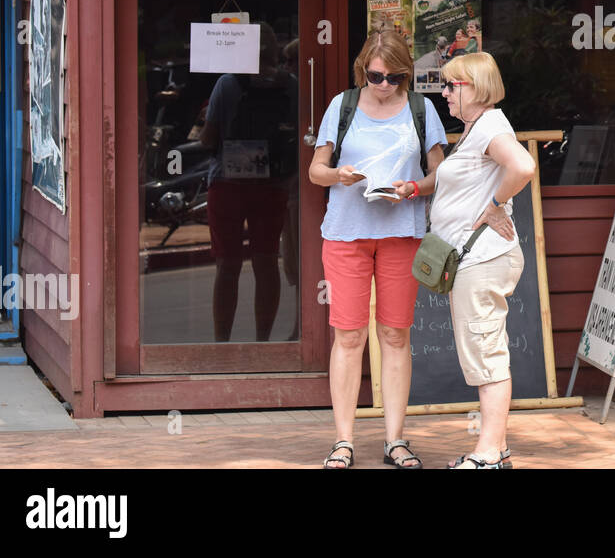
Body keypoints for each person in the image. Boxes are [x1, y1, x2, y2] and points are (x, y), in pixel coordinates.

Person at [308, 30, 447, 469]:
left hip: (401, 233)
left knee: (394, 334)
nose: (385, 85)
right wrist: (340, 176)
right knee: (348, 335)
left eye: (395, 78)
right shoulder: (342, 105)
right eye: (376, 76)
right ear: (362, 69)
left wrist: (410, 189)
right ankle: (344, 441)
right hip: (347, 233)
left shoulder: (422, 108)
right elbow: (315, 171)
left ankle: (395, 440)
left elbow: (439, 176)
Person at [396, 52, 534, 468]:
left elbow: (523, 165)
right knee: (484, 349)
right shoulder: (476, 128)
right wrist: (417, 188)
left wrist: (496, 204)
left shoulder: (490, 126)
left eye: (452, 85)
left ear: (477, 87)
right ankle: (497, 447)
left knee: (486, 353)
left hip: (482, 259)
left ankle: (488, 454)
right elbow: (457, 179)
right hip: (474, 260)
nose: (444, 93)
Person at [200, 24, 296, 343]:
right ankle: (262, 342)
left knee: (226, 265)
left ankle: (221, 343)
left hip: (228, 182)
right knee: (266, 262)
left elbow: (209, 138)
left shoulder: (227, 84)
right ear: (274, 50)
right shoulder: (290, 85)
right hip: (272, 184)